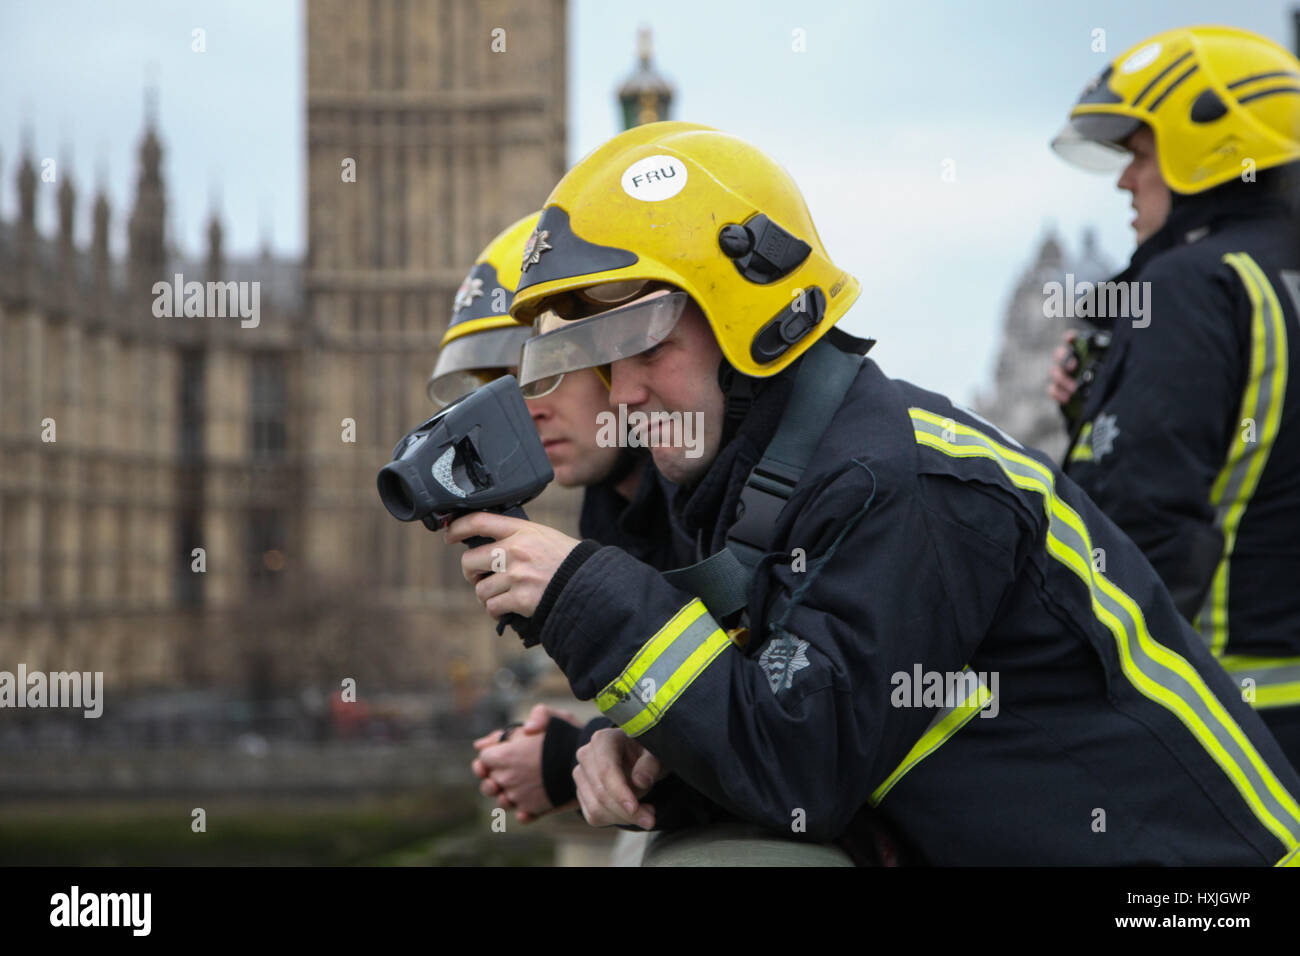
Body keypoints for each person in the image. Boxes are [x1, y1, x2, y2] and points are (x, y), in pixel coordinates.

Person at [446, 120, 1300, 864]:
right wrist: (634, 756)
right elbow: (802, 720)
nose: (621, 394)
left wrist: (580, 589)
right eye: (598, 359)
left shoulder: (902, 483)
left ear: (753, 313)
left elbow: (802, 769)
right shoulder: (760, 480)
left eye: (643, 343)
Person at [1048, 25, 1300, 763]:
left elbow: (1134, 525)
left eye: (1141, 153)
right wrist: (1095, 402)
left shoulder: (1191, 286)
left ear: (1207, 148)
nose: (1126, 180)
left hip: (1233, 721)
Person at [428, 212, 689, 824]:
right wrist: (581, 747)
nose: (521, 412)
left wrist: (566, 760)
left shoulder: (703, 503)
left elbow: (782, 749)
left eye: (543, 372)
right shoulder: (617, 508)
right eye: (494, 390)